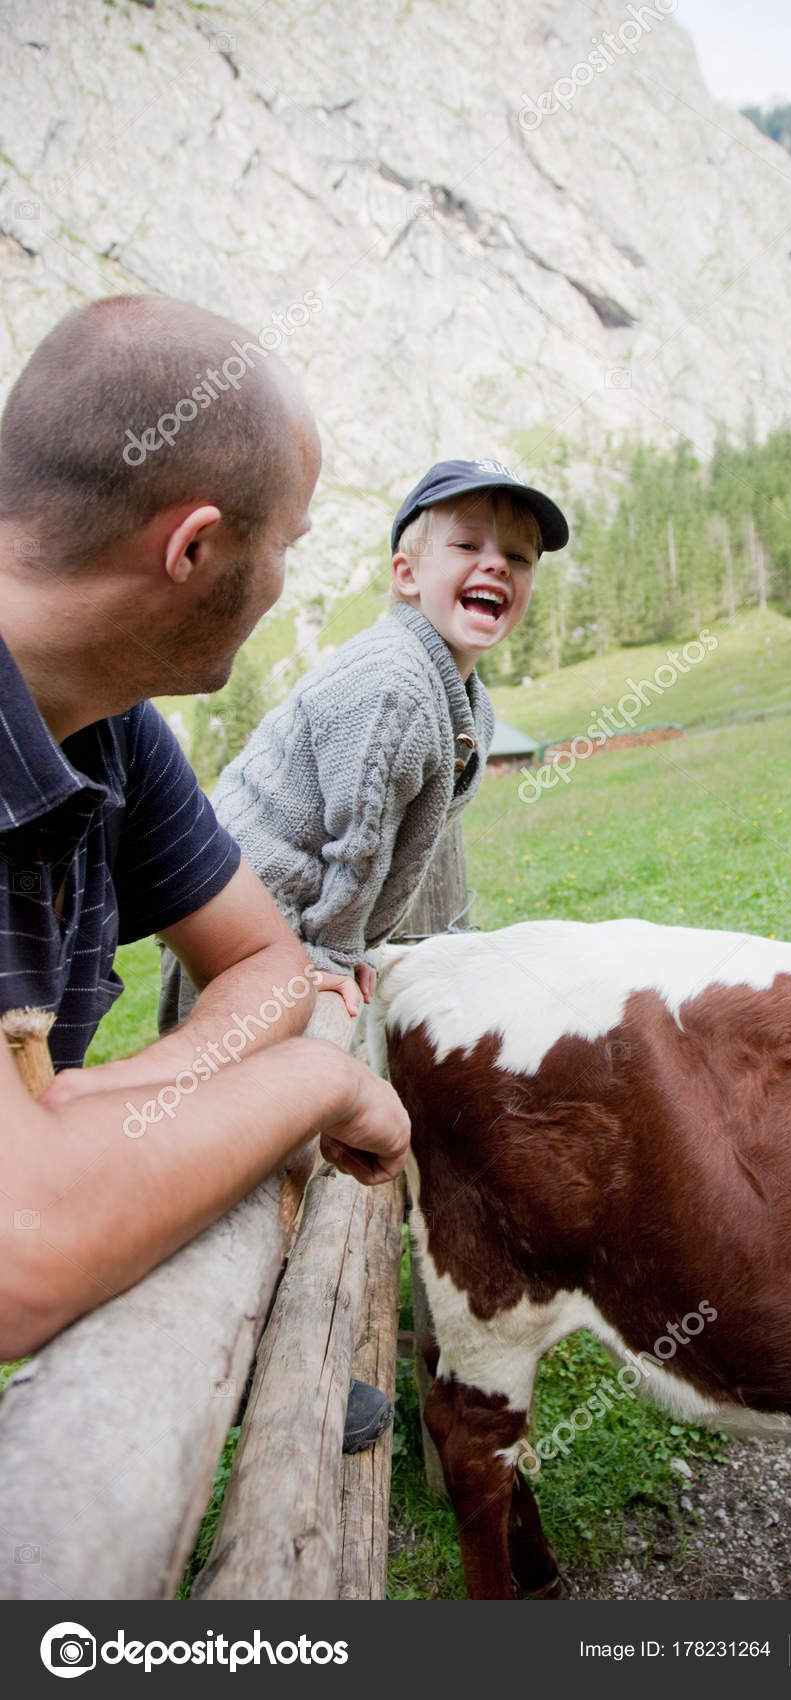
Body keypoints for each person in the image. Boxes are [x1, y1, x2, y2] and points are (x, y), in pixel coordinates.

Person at [0, 295, 410, 1362]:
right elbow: (17, 1260)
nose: (284, 583)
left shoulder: (107, 726)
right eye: (286, 544)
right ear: (192, 547)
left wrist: (112, 1096)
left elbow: (267, 962)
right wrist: (315, 1081)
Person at [158, 457, 569, 1446]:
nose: (495, 567)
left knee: (283, 1133)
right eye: (467, 545)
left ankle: (289, 1344)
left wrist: (432, 935)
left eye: (515, 556)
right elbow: (355, 833)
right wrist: (337, 955)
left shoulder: (459, 692)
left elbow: (422, 836)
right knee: (256, 1151)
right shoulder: (393, 681)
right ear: (403, 571)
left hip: (292, 930)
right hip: (250, 932)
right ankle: (270, 1373)